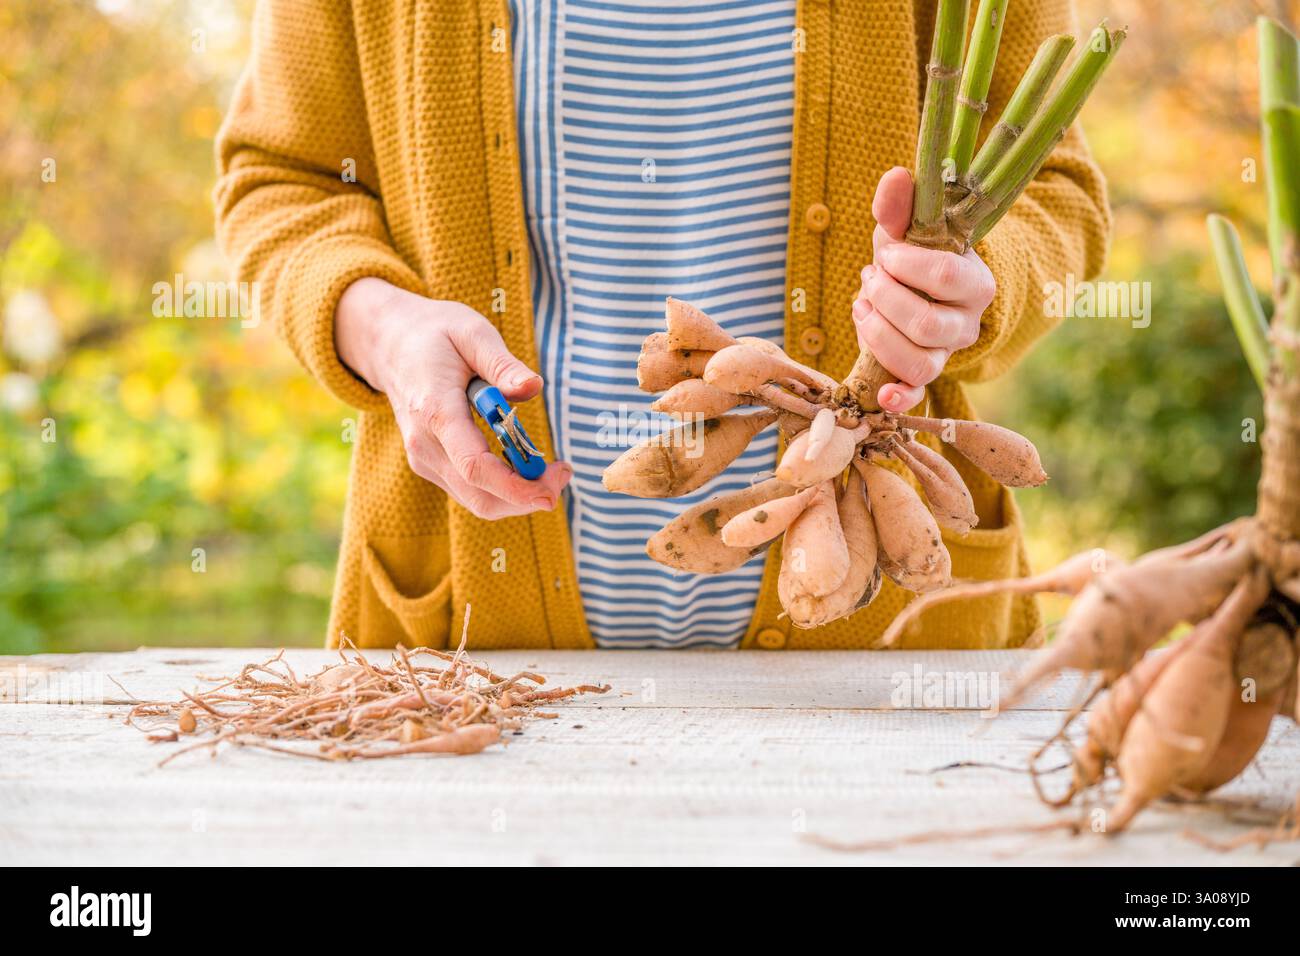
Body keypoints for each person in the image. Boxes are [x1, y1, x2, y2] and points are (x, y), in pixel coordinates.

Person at [215, 0, 1108, 650]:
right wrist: (383, 329)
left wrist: (978, 283)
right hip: (475, 647)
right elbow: (282, 180)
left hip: (885, 659)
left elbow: (1055, 190)